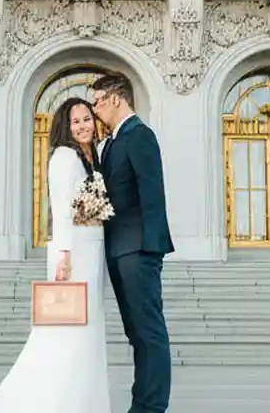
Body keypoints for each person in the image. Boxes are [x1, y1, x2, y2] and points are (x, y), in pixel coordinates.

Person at [0, 97, 111, 413]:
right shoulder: (64, 157)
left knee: (86, 331)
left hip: (93, 247)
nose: (83, 126)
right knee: (67, 334)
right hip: (74, 251)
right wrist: (64, 254)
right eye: (76, 121)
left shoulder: (92, 156)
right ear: (65, 127)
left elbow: (93, 205)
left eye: (87, 119)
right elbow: (62, 207)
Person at [90, 73, 173, 413]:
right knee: (136, 333)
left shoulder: (140, 136)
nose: (95, 110)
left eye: (96, 102)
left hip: (138, 250)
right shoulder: (111, 141)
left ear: (115, 98)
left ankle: (151, 407)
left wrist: (150, 250)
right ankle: (142, 403)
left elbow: (151, 191)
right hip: (118, 250)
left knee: (149, 331)